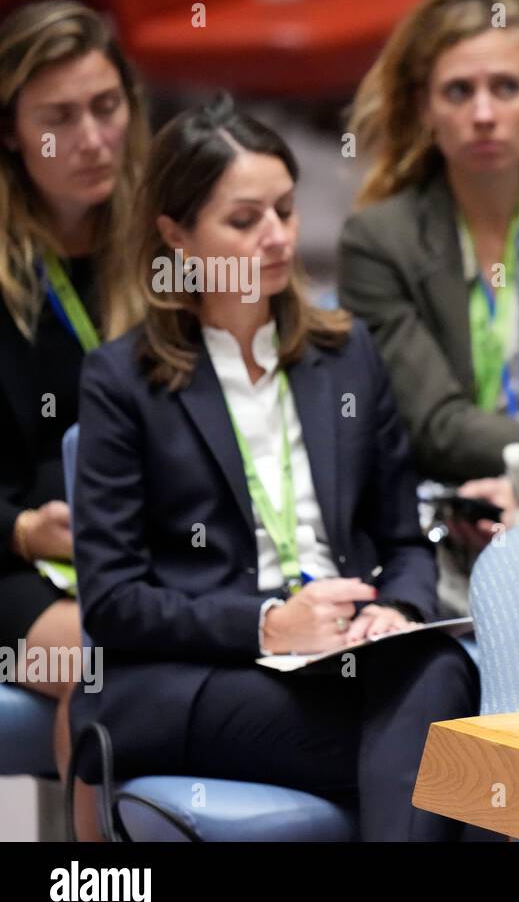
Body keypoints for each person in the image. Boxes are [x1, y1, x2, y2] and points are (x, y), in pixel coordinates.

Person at [69, 96, 477, 841]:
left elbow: (403, 537)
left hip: (348, 658)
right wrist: (267, 624)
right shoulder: (122, 382)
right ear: (176, 235)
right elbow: (113, 599)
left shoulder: (346, 356)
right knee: (457, 755)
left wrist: (400, 610)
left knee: (443, 674)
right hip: (204, 677)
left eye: (286, 211)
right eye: (244, 219)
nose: (278, 237)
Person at [339, 0, 519, 544]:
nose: (484, 113)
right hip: (444, 511)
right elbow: (436, 428)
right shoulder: (378, 242)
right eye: (459, 91)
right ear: (425, 107)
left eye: (506, 87)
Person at [0, 0, 148, 838]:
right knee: (106, 663)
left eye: (106, 106)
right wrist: (24, 530)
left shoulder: (165, 244)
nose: (92, 139)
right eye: (59, 118)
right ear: (11, 132)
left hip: (140, 547)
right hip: (13, 563)